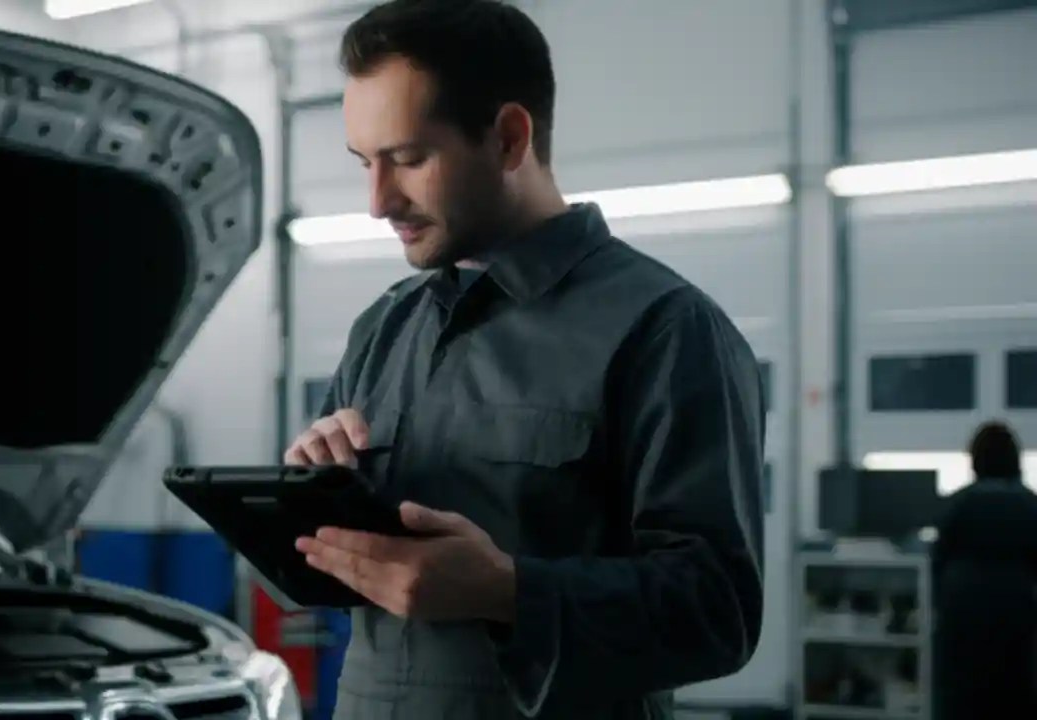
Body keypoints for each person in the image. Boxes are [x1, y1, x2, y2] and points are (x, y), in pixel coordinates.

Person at [285, 1, 766, 717]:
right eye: (365, 163)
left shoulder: (664, 329)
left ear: (510, 138)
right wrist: (308, 495)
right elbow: (337, 571)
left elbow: (718, 611)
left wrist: (507, 591)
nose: (377, 201)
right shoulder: (384, 328)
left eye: (409, 159)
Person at [932, 421, 1037, 720]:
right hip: (1016, 618)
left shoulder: (957, 505)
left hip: (960, 618)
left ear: (975, 460)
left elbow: (936, 564)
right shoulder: (1030, 504)